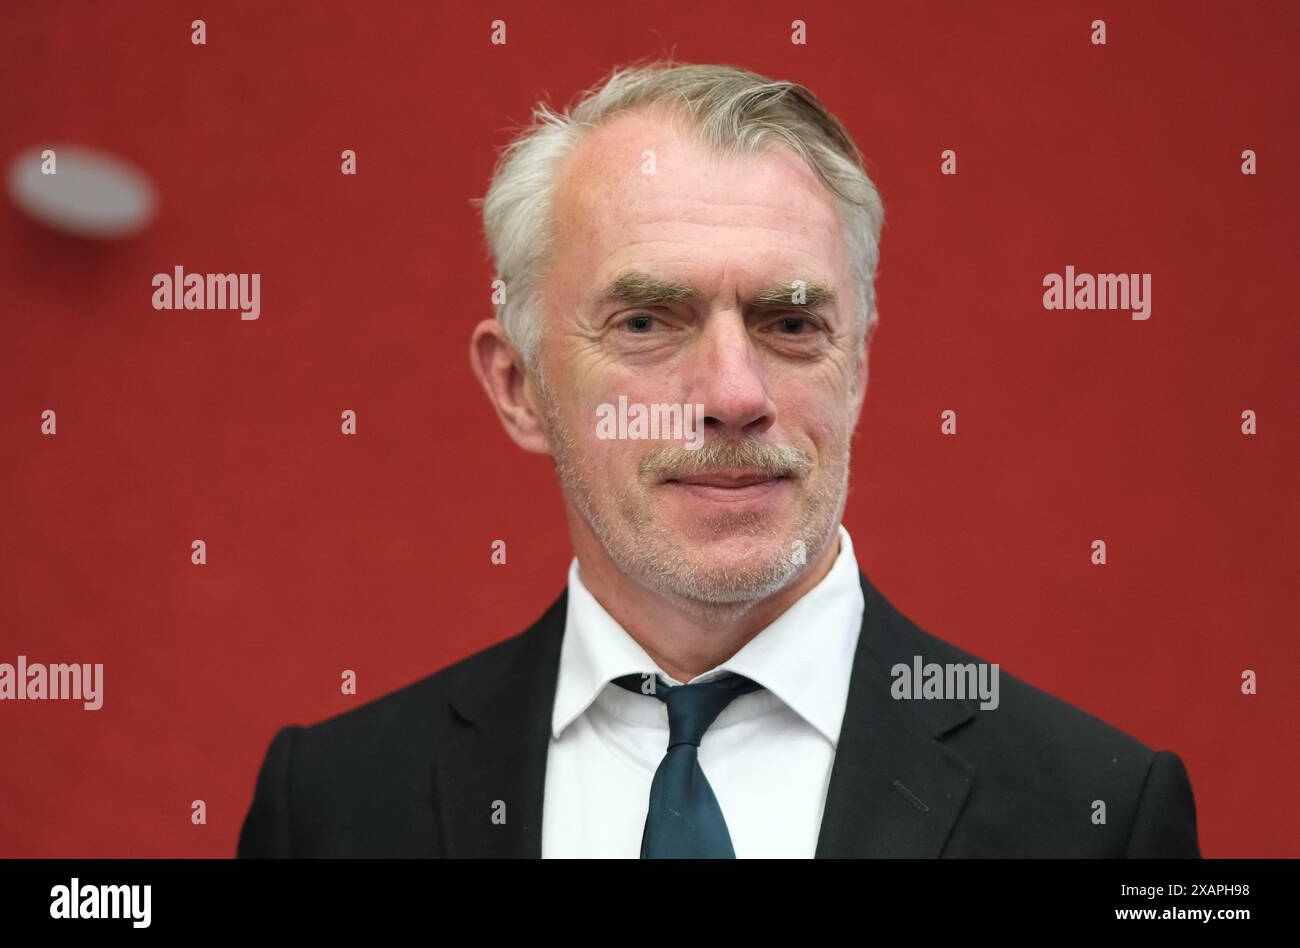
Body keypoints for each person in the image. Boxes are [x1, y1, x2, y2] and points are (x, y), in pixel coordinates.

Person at [237, 61, 1200, 858]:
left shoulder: (1098, 815)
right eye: (649, 321)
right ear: (519, 384)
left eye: (790, 323)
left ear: (857, 368)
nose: (736, 396)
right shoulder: (331, 809)